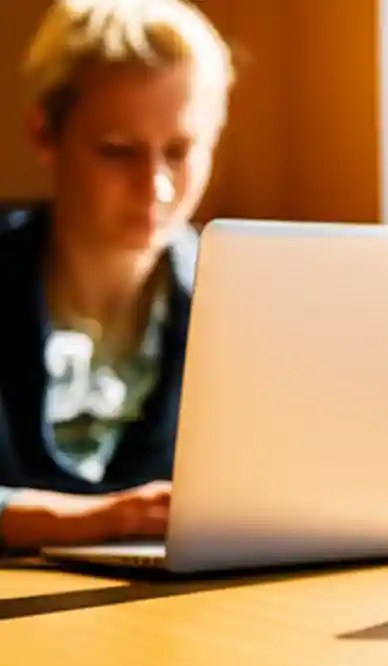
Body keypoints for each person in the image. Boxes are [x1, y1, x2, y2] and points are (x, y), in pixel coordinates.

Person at [0, 0, 233, 550]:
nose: (155, 188)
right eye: (117, 152)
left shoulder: (240, 303)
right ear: (44, 135)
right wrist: (81, 520)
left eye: (179, 152)